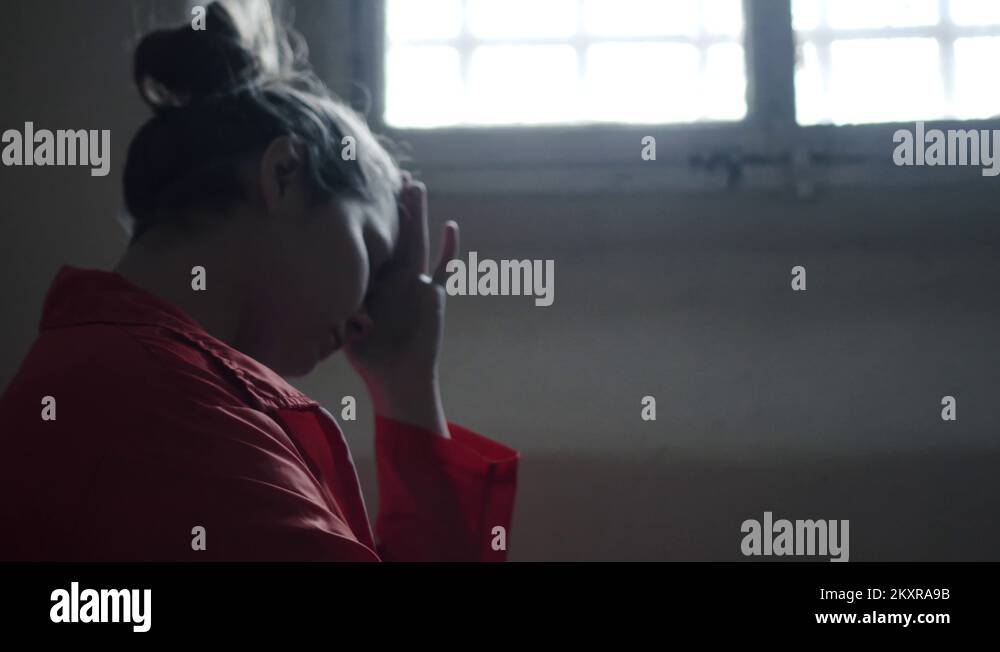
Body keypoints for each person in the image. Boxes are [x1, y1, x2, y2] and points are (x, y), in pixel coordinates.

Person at [0, 1, 518, 561]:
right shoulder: (184, 420)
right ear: (284, 176)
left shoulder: (110, 373)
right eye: (372, 249)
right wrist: (409, 391)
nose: (365, 320)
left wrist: (403, 377)